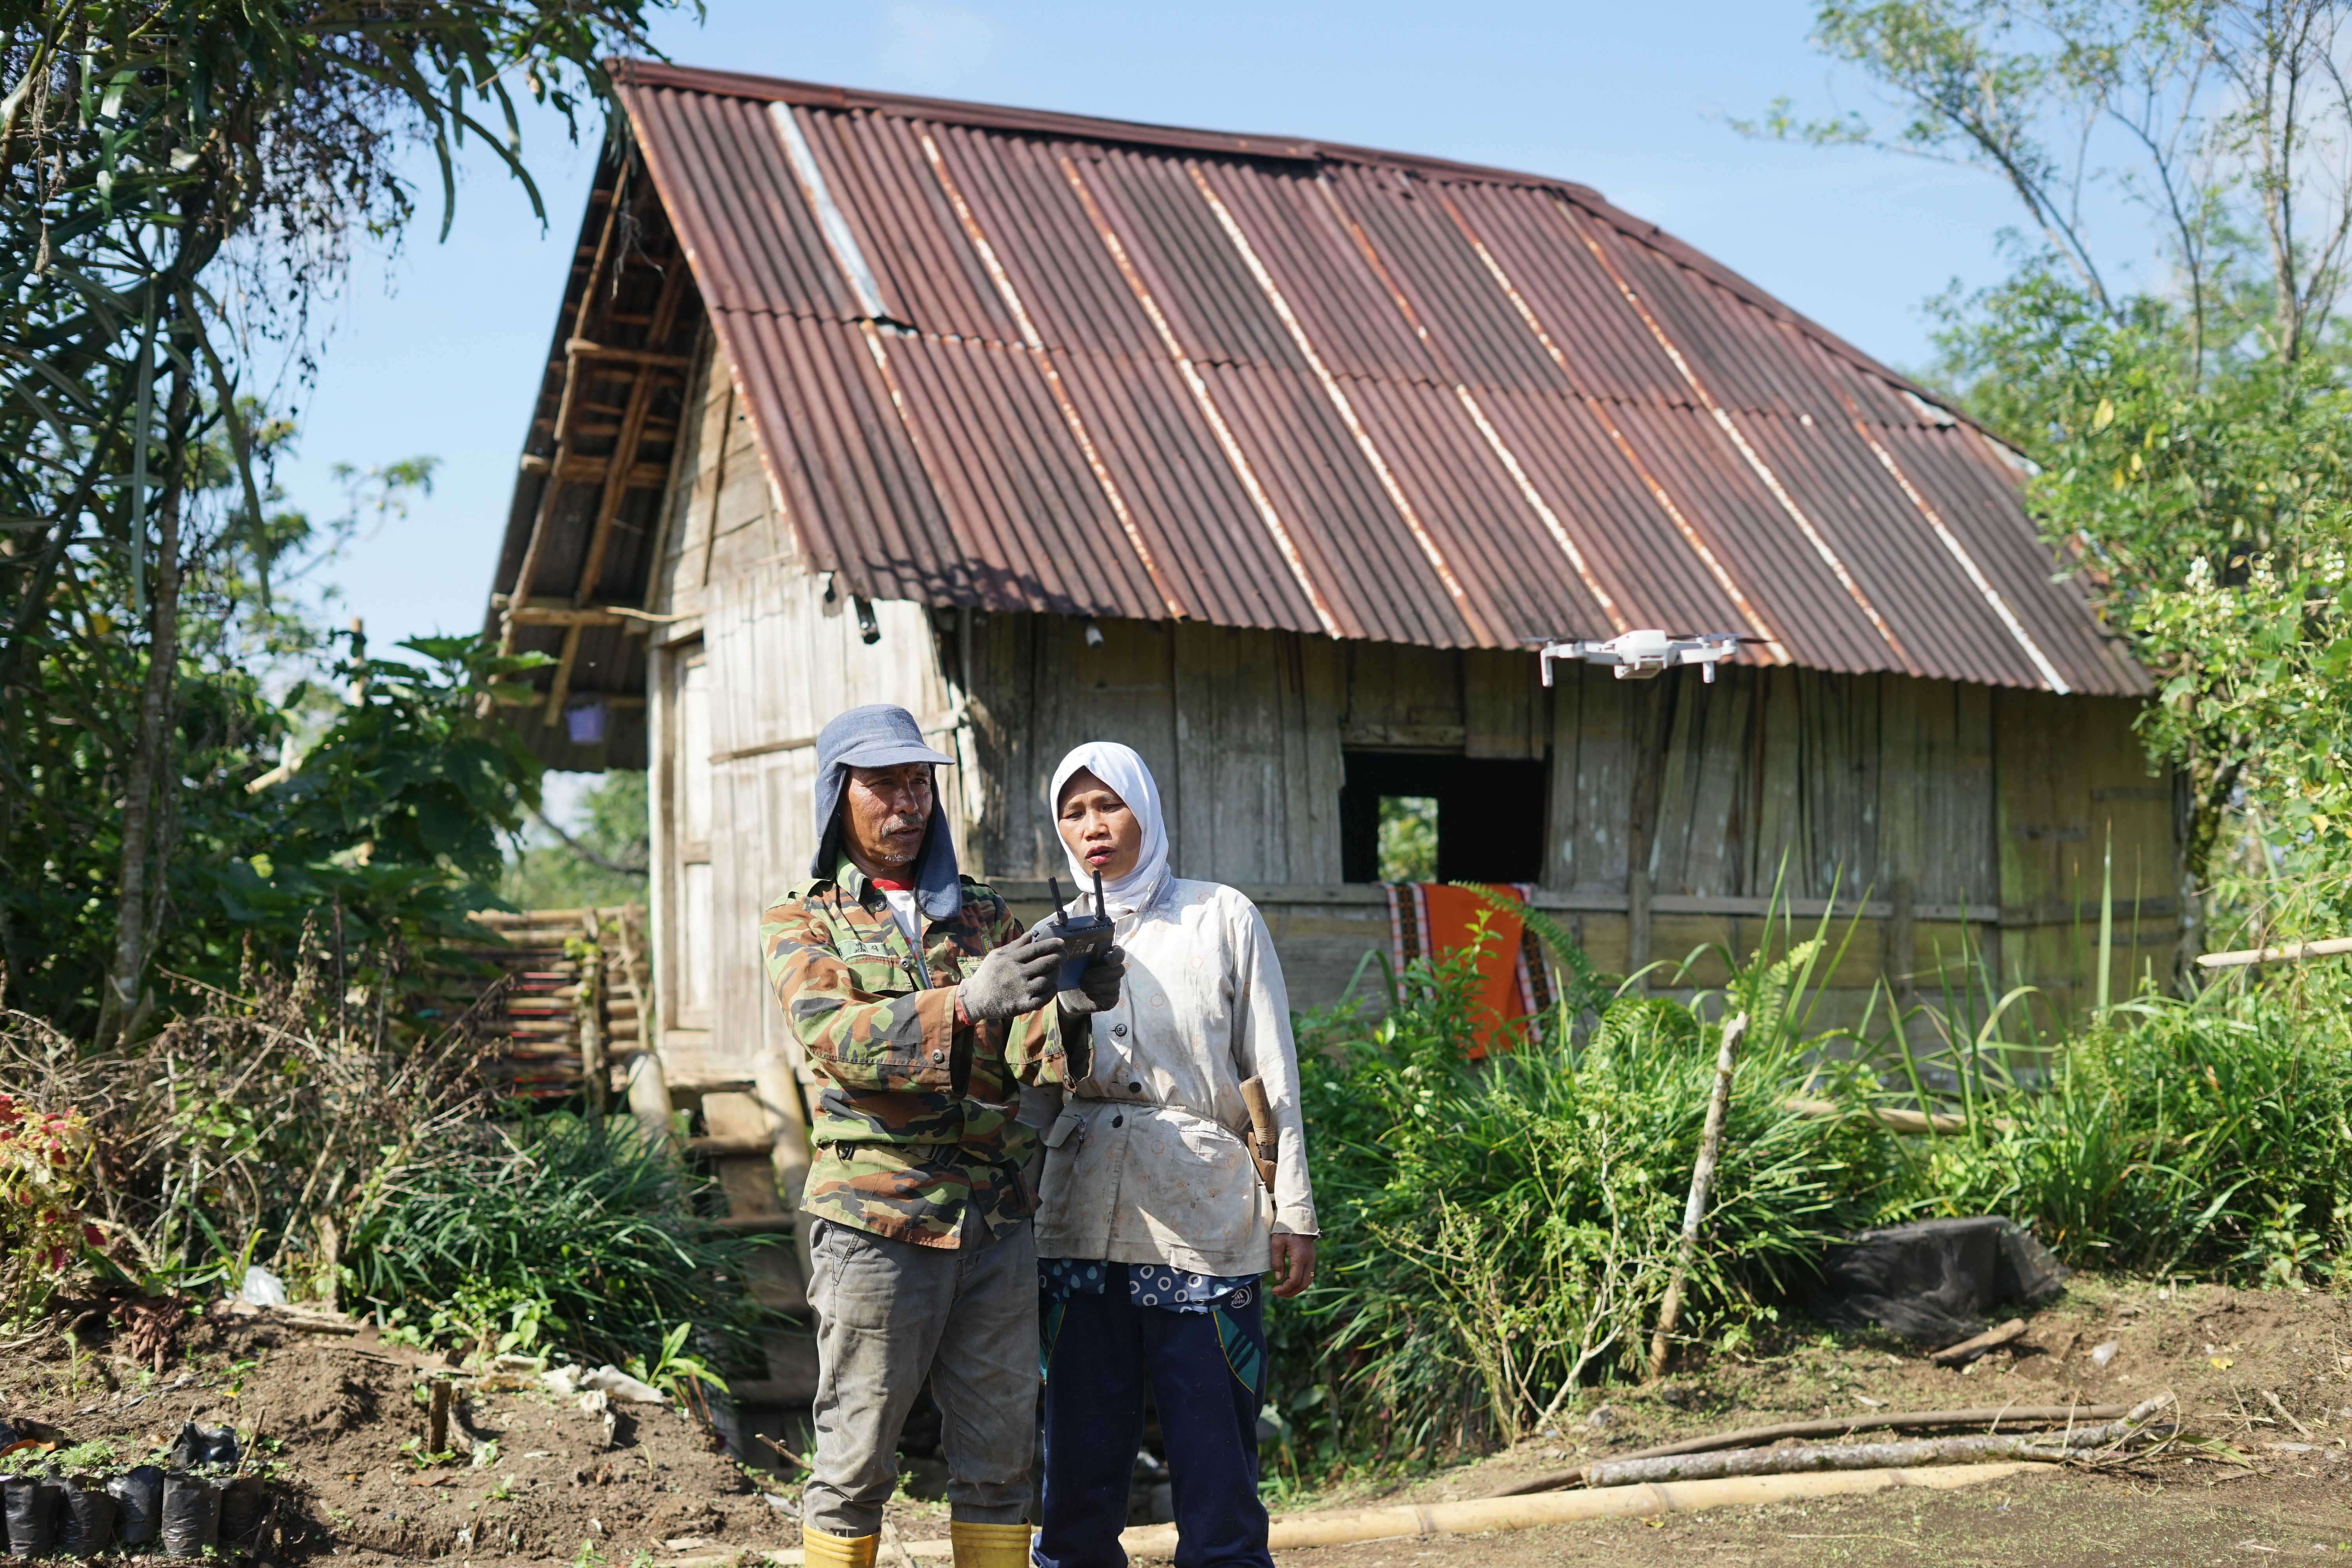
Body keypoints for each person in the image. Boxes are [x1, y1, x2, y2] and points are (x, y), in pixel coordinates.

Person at [760, 706, 1122, 1568]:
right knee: (855, 1462)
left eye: (919, 781)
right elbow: (835, 1037)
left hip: (995, 1222)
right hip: (876, 1221)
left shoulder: (987, 917)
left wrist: (1069, 1003)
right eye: (883, 783)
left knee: (1001, 1465)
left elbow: (1029, 1058)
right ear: (837, 795)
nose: (907, 801)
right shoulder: (802, 921)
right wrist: (961, 1001)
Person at [1027, 741, 1318, 1568]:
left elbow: (1273, 1069)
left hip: (1206, 1204)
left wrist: (1293, 1208)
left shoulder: (1221, 915)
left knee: (1214, 1453)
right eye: (1073, 812)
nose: (1092, 827)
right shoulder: (1052, 939)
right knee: (1079, 1456)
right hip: (1078, 1210)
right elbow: (1031, 1083)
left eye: (1108, 804)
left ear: (1144, 809)